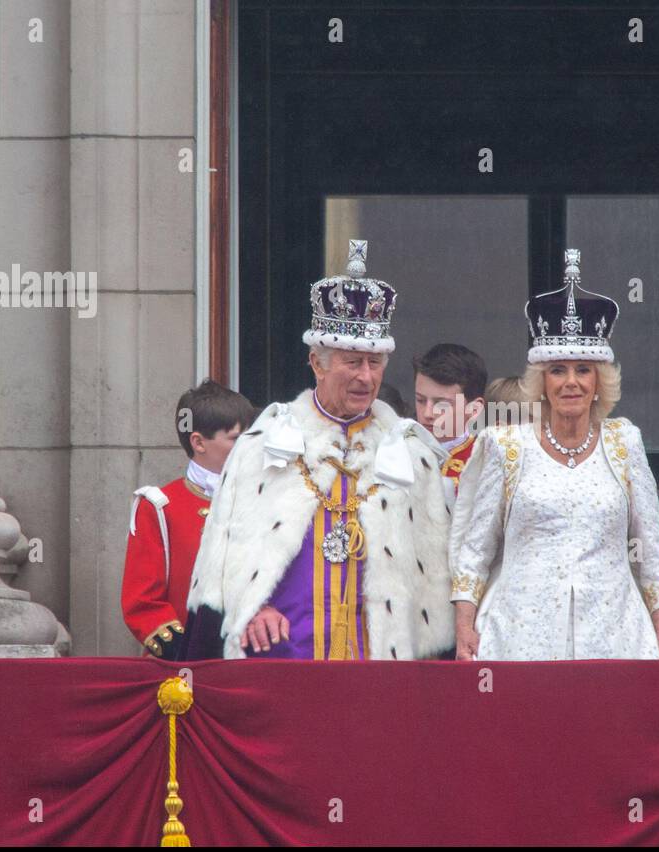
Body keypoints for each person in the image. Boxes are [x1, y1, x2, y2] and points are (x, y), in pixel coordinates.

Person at [175, 239, 455, 661]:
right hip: (285, 658)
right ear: (317, 363)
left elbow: (434, 579)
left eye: (374, 362)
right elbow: (224, 561)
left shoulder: (411, 452)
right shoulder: (264, 443)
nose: (365, 376)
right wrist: (250, 608)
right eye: (351, 361)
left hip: (381, 666)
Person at [450, 249, 659, 660]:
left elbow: (653, 551)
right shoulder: (508, 446)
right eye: (558, 370)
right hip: (519, 639)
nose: (570, 382)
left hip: (614, 637)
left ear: (599, 380)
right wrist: (464, 627)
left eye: (583, 370)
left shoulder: (624, 443)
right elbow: (475, 550)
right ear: (542, 381)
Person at [121, 380, 257, 657]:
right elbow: (143, 602)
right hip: (184, 664)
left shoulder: (263, 501)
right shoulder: (159, 507)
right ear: (198, 442)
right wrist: (184, 651)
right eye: (235, 438)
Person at [412, 343, 487, 500]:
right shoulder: (396, 450)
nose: (427, 413)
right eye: (420, 400)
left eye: (442, 404)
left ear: (474, 409)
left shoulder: (487, 462)